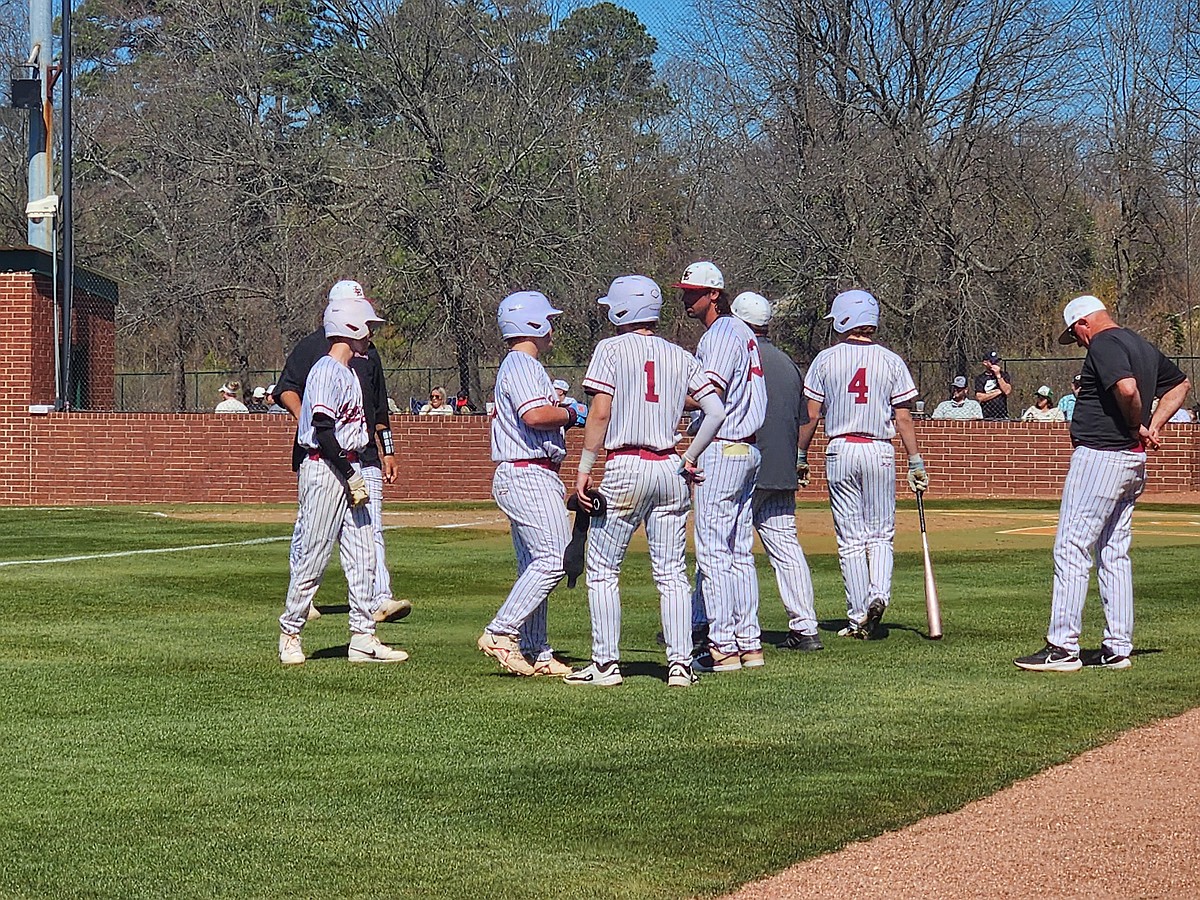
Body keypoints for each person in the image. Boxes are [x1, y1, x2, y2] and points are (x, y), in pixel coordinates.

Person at [564, 275, 726, 687]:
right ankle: (680, 666)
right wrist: (690, 456)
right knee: (671, 572)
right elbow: (716, 411)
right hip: (670, 466)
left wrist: (584, 467)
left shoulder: (611, 349)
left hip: (626, 464)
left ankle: (605, 665)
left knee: (602, 569)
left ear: (622, 309)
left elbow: (600, 412)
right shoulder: (679, 354)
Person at [1015, 295, 1189, 672]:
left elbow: (1127, 390)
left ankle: (1062, 648)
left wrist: (1134, 425)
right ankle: (1117, 648)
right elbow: (1180, 385)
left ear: (1082, 324)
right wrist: (1151, 427)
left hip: (1101, 456)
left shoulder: (1105, 343)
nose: (1078, 342)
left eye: (1074, 334)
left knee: (1072, 548)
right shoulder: (1138, 342)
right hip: (1131, 460)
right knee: (1113, 551)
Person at [276, 295, 408, 665]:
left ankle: (363, 637)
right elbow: (322, 430)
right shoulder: (325, 370)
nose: (371, 335)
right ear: (349, 328)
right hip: (325, 468)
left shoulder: (351, 372)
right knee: (314, 553)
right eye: (367, 328)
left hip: (350, 466)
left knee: (364, 552)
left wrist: (356, 472)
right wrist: (350, 474)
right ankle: (290, 632)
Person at [797, 289, 928, 639]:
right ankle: (878, 594)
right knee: (881, 534)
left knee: (851, 539)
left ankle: (858, 617)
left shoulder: (825, 360)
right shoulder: (891, 360)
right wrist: (916, 460)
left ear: (843, 319)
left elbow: (811, 415)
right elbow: (903, 417)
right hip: (879, 450)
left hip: (840, 449)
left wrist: (800, 454)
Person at [477, 291, 583, 678]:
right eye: (547, 320)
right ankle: (500, 632)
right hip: (525, 473)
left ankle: (536, 649)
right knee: (554, 560)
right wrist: (570, 413)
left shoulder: (523, 364)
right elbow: (536, 415)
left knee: (534, 567)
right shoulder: (521, 362)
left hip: (534, 473)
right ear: (532, 324)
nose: (552, 327)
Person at [677, 260, 768, 672]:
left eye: (692, 292)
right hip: (748, 448)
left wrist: (663, 399)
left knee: (714, 552)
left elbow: (709, 396)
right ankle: (749, 644)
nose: (685, 298)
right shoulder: (744, 332)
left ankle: (722, 647)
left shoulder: (719, 334)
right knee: (738, 553)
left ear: (714, 293)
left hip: (724, 445)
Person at [730, 291, 822, 652]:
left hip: (744, 462)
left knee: (722, 543)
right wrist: (797, 458)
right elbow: (804, 420)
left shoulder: (739, 355)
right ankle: (805, 627)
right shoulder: (787, 362)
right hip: (783, 464)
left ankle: (705, 623)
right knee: (785, 547)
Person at [974, 350, 1013, 419]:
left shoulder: (1004, 375)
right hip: (986, 413)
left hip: (1002, 413)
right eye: (992, 362)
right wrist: (998, 392)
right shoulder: (980, 378)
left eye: (996, 362)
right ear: (985, 363)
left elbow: (1007, 391)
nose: (995, 364)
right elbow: (980, 397)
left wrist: (998, 375)